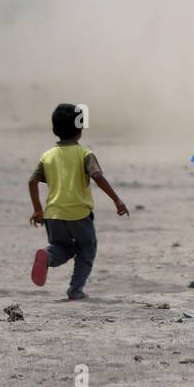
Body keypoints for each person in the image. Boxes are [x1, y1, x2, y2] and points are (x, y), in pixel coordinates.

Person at [29, 103, 129, 300]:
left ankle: (48, 257)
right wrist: (117, 200)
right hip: (79, 215)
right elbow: (98, 177)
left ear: (54, 129)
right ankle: (75, 290)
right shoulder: (85, 154)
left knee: (62, 248)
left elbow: (32, 181)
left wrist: (38, 210)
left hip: (53, 214)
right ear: (80, 129)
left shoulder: (47, 157)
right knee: (86, 249)